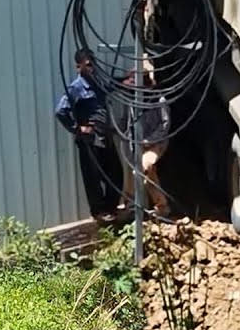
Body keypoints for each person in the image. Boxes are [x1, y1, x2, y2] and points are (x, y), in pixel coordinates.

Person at [55, 49, 125, 223]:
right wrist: (78, 128)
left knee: (116, 172)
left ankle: (111, 208)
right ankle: (99, 213)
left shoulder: (98, 83)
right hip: (90, 140)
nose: (92, 68)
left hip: (105, 136)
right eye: (88, 65)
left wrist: (127, 80)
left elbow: (112, 85)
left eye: (93, 64)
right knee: (93, 177)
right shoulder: (76, 88)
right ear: (78, 67)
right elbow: (60, 111)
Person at [122, 59, 172, 216]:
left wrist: (148, 141)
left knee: (145, 167)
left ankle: (148, 205)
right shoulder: (132, 101)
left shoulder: (159, 100)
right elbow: (128, 122)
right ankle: (160, 207)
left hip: (155, 143)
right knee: (136, 172)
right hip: (136, 143)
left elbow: (165, 125)